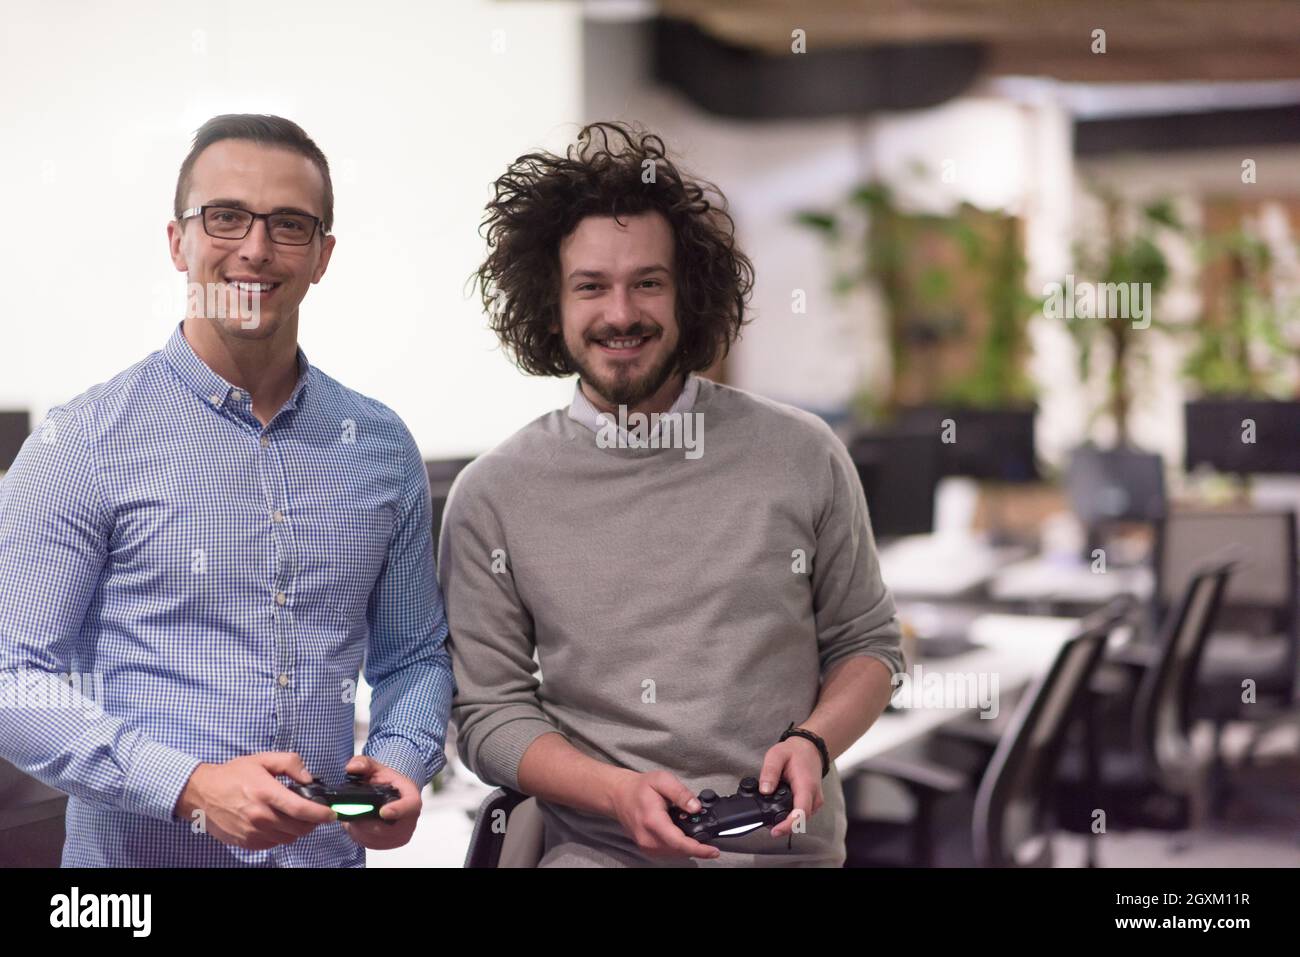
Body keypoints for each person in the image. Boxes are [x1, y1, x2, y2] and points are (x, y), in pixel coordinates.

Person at [443, 122, 903, 866]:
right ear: (551, 304)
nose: (621, 313)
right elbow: (487, 716)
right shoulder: (492, 495)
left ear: (688, 293)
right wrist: (612, 790)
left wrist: (814, 740)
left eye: (647, 283)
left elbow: (867, 645)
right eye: (591, 286)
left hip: (783, 853)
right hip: (598, 854)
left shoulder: (802, 452)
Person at [0, 114, 454, 866]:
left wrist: (402, 759)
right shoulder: (81, 443)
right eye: (226, 217)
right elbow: (14, 679)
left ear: (321, 256)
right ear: (178, 242)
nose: (254, 247)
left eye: (288, 224)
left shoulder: (378, 447)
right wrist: (191, 787)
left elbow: (414, 657)